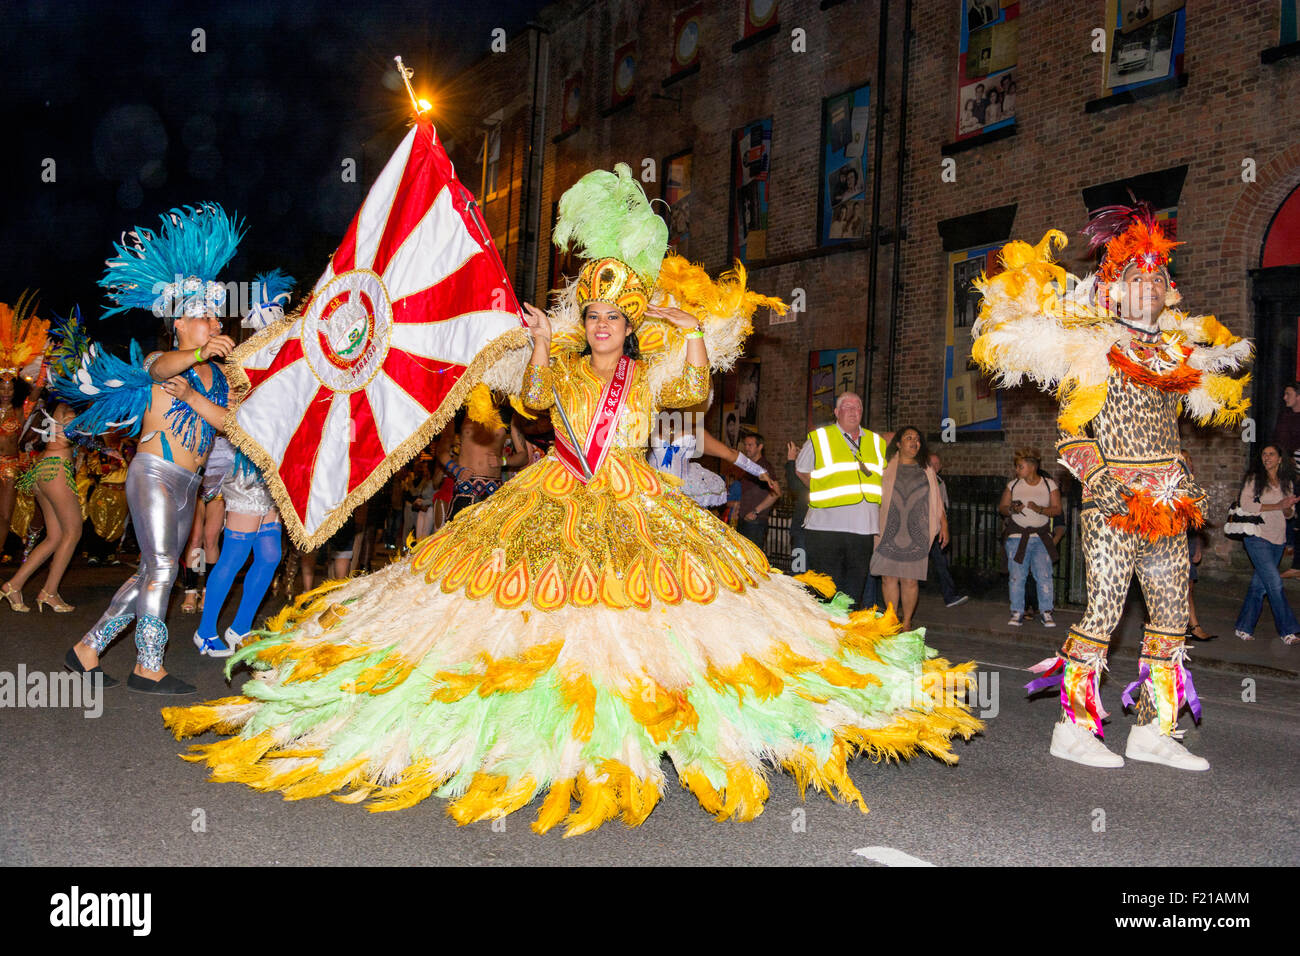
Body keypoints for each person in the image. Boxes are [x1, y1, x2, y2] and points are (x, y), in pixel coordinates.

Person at [165, 164, 979, 834]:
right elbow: (521, 394)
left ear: (627, 324)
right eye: (589, 316)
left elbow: (695, 381)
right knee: (534, 612)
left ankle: (648, 725)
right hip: (553, 494)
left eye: (610, 318)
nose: (599, 327)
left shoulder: (653, 365)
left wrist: (677, 319)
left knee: (655, 614)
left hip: (636, 499)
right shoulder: (559, 364)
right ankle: (551, 730)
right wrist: (534, 338)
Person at [974, 203, 1251, 771]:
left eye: (1155, 279)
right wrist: (1101, 483)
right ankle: (1072, 727)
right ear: (1115, 290)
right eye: (1135, 279)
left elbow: (1170, 423)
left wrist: (1182, 476)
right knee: (1102, 613)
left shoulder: (1175, 352)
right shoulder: (1094, 344)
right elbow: (1071, 431)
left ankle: (1154, 729)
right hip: (1114, 504)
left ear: (1166, 288)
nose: (1147, 288)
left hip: (1167, 502)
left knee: (1172, 617)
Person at [59, 203, 241, 694]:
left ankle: (89, 646)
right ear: (179, 325)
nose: (212, 321)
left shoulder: (217, 378)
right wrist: (200, 354)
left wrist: (203, 390)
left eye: (214, 315)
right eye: (201, 316)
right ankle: (148, 664)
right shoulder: (166, 358)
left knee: (153, 571)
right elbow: (159, 372)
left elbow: (230, 424)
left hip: (191, 484)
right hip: (155, 473)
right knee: (162, 566)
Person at [795, 391, 887, 611]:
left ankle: (848, 638)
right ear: (836, 412)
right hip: (826, 528)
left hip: (862, 529)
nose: (853, 411)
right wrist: (825, 491)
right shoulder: (821, 437)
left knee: (854, 591)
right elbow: (801, 471)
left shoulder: (876, 442)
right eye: (847, 406)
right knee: (825, 591)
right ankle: (824, 636)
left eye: (857, 407)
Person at [1, 400, 80, 612]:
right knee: (73, 532)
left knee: (55, 537)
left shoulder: (54, 407)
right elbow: (70, 433)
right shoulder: (67, 407)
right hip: (57, 470)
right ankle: (49, 592)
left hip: (44, 468)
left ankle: (14, 585)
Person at [870, 426, 946, 629]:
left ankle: (906, 622)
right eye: (909, 437)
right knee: (888, 578)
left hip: (917, 530)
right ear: (898, 444)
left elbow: (936, 500)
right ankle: (892, 618)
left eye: (917, 439)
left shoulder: (927, 468)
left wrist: (944, 525)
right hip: (888, 528)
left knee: (910, 580)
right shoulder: (884, 466)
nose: (915, 442)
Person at [1232, 445, 1300, 645]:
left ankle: (1243, 627)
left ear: (1280, 459)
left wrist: (1287, 508)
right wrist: (1278, 505)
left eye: (1271, 454)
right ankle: (1288, 631)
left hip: (1278, 539)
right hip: (1257, 537)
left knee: (1259, 586)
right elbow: (1246, 505)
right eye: (1264, 454)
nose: (1267, 457)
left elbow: (1289, 514)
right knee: (1275, 583)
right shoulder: (1254, 479)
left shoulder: (1286, 483)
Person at [997, 447, 1060, 627]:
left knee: (1044, 574)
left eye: (1020, 466)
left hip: (1041, 537)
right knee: (1017, 576)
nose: (1017, 470)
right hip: (1017, 536)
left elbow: (1057, 509)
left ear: (1032, 467)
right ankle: (1017, 611)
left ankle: (1046, 611)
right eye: (1017, 467)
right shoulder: (1013, 485)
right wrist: (1012, 509)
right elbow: (1002, 507)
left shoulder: (1049, 484)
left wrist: (1039, 509)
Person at [179, 435, 233, 613]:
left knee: (211, 540)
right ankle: (190, 591)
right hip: (196, 488)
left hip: (219, 490)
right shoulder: (201, 423)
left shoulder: (229, 422)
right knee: (195, 539)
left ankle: (208, 591)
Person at [927, 452, 968, 608]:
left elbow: (942, 505)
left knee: (941, 562)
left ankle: (949, 596)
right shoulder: (929, 481)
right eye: (933, 464)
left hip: (936, 528)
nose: (936, 467)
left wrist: (944, 525)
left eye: (938, 464)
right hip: (926, 528)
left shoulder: (939, 482)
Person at [735, 432, 780, 551]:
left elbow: (776, 493)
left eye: (750, 445)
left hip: (755, 522)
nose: (746, 448)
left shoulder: (764, 467)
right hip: (744, 519)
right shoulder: (749, 466)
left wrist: (755, 511)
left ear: (760, 447)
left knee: (753, 560)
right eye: (745, 445)